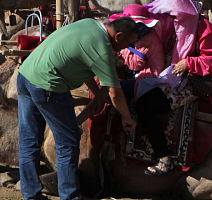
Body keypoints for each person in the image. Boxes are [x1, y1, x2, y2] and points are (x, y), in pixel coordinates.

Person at [17, 16, 140, 200]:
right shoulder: (103, 48)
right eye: (127, 44)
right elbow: (115, 93)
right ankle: (70, 196)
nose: (125, 49)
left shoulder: (89, 24)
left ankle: (31, 195)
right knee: (68, 142)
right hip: (48, 85)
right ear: (118, 36)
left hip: (26, 75)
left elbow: (80, 59)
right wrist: (127, 118)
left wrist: (96, 92)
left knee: (29, 141)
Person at [118, 0, 212, 175]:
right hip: (164, 74)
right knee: (119, 90)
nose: (170, 16)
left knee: (146, 105)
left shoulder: (202, 27)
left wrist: (189, 63)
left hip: (188, 81)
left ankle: (164, 156)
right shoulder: (165, 20)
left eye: (174, 13)